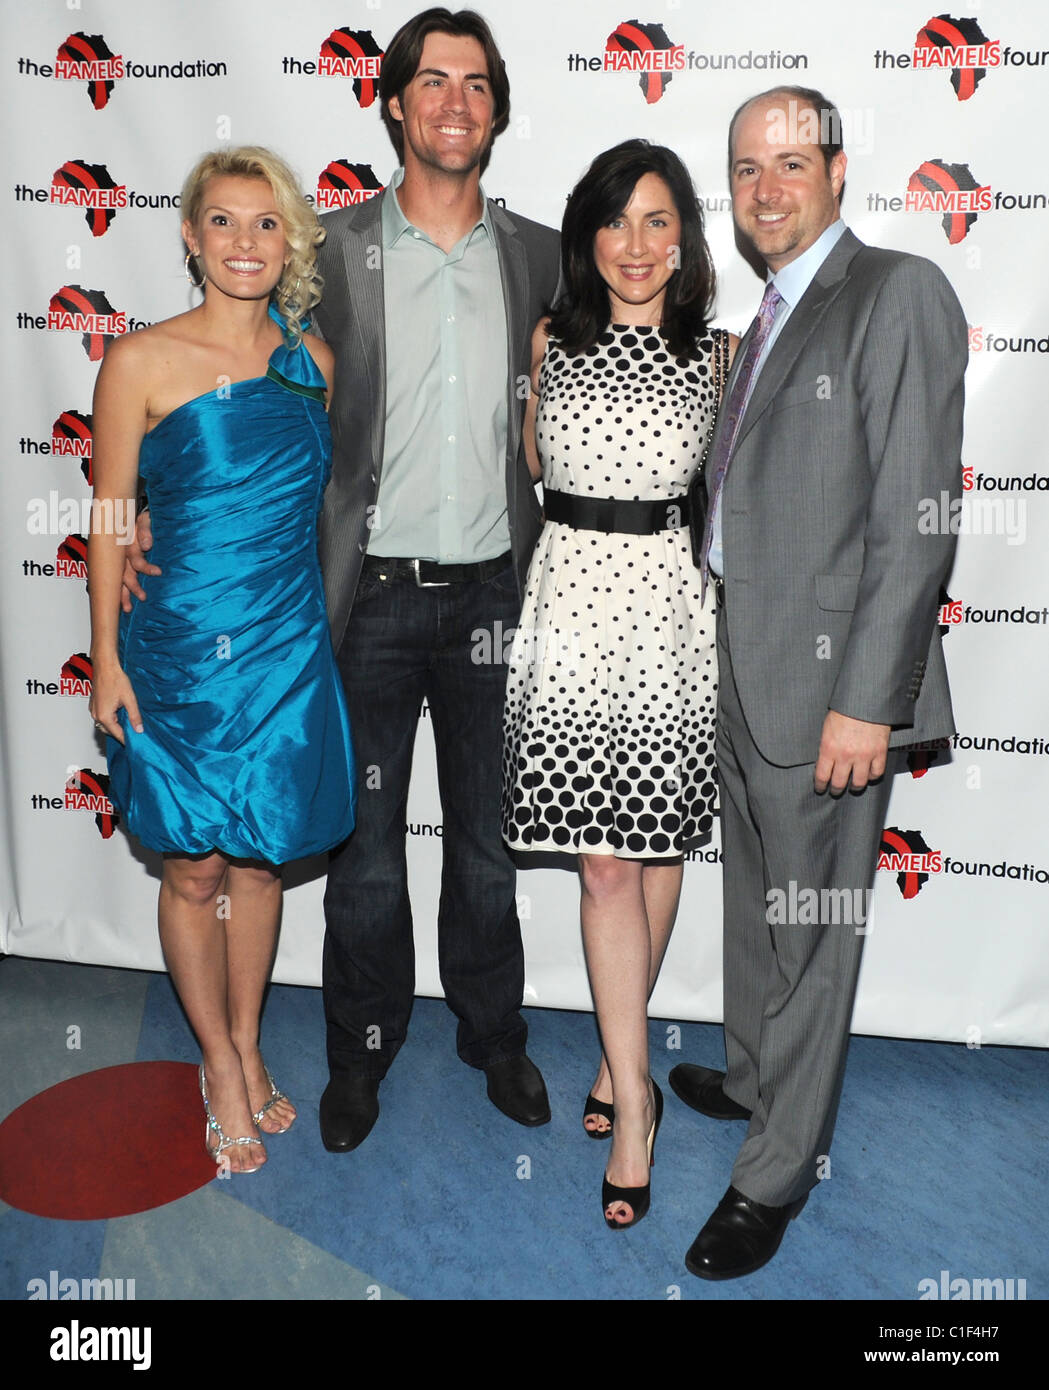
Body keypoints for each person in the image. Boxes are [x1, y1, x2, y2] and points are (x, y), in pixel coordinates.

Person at [669, 86, 967, 1277]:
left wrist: (867, 699)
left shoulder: (896, 291)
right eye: (745, 169)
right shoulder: (771, 313)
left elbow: (915, 520)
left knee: (816, 926)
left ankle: (775, 1170)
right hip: (742, 657)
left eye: (790, 163)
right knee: (757, 903)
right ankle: (751, 1075)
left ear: (838, 170)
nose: (766, 188)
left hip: (830, 686)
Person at [311, 8, 561, 1150]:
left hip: (497, 593)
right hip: (365, 600)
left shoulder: (543, 255)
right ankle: (361, 1051)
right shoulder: (326, 252)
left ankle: (492, 1033)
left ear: (495, 110)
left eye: (474, 84)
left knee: (486, 842)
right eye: (430, 81)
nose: (453, 102)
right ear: (394, 103)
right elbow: (249, 395)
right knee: (361, 850)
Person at [90, 147, 356, 1173]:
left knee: (259, 861)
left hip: (283, 646)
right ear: (193, 236)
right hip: (176, 654)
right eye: (224, 222)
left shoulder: (315, 364)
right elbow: (114, 516)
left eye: (265, 223)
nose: (244, 242)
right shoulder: (141, 361)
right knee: (194, 865)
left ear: (290, 239)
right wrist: (105, 658)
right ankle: (214, 1059)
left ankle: (247, 1043)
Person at [502, 141, 736, 1228]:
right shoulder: (550, 338)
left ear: (682, 237)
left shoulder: (719, 355)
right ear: (585, 232)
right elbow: (532, 464)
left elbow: (732, 504)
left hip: (662, 611)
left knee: (647, 847)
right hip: (565, 607)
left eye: (657, 222)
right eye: (614, 221)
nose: (634, 246)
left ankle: (618, 1073)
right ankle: (633, 1087)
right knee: (601, 864)